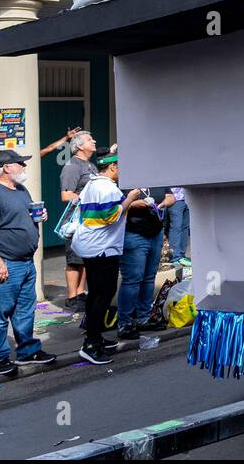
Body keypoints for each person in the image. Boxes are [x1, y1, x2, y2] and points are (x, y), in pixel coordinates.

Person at [0, 149, 57, 375]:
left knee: (25, 311)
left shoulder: (20, 189)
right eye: (20, 163)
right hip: (5, 262)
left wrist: (41, 215)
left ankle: (27, 352)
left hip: (25, 262)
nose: (24, 166)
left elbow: (22, 216)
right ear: (7, 168)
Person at [70, 153, 143, 364]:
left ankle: (96, 337)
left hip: (94, 247)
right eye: (121, 167)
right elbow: (111, 216)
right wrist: (130, 198)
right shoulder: (107, 188)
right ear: (112, 168)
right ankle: (91, 344)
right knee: (102, 295)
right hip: (102, 249)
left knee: (97, 295)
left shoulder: (93, 184)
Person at [117, 184, 175, 340]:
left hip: (155, 232)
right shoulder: (125, 183)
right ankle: (125, 322)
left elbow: (171, 197)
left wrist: (164, 203)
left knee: (149, 277)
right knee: (132, 279)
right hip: (134, 233)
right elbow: (116, 207)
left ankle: (144, 317)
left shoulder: (155, 179)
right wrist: (133, 203)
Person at [58, 131, 98, 312]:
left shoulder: (91, 165)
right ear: (80, 146)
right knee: (74, 260)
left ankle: (81, 293)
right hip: (76, 220)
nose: (94, 141)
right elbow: (66, 195)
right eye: (90, 139)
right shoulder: (72, 166)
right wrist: (87, 199)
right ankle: (72, 297)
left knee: (86, 258)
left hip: (90, 219)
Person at [166, 187, 191, 268]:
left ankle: (181, 256)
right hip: (175, 199)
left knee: (185, 228)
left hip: (186, 198)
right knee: (176, 228)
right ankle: (175, 258)